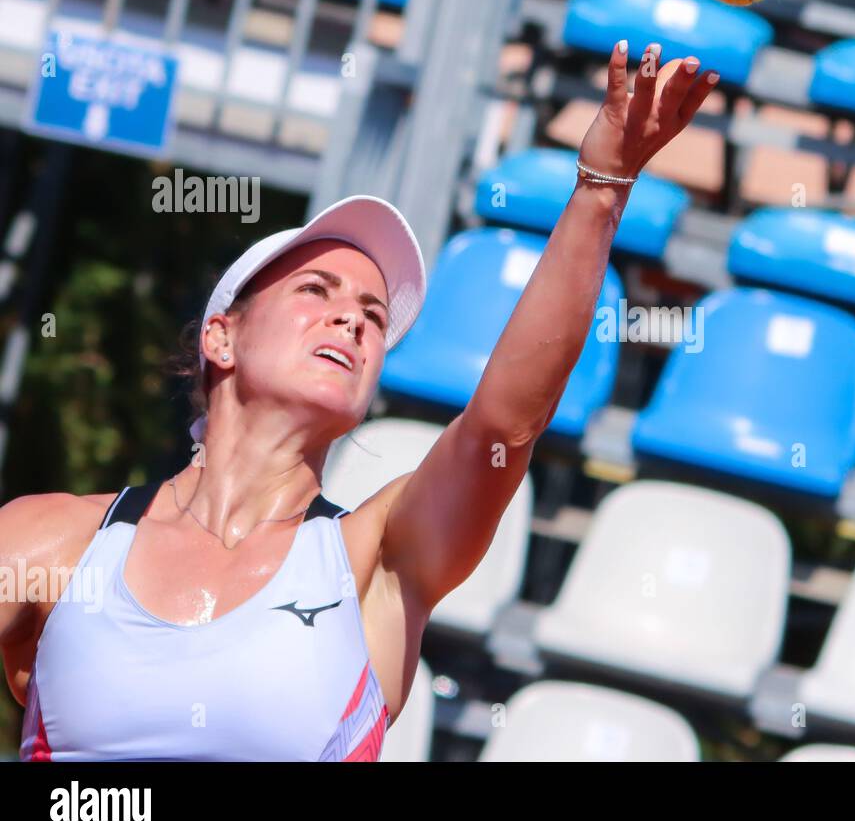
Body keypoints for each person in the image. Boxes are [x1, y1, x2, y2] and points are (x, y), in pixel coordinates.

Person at [0, 41, 718, 759]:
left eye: (374, 316)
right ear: (222, 338)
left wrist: (601, 189)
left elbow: (504, 423)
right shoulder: (52, 541)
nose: (352, 319)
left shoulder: (377, 559)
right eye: (316, 291)